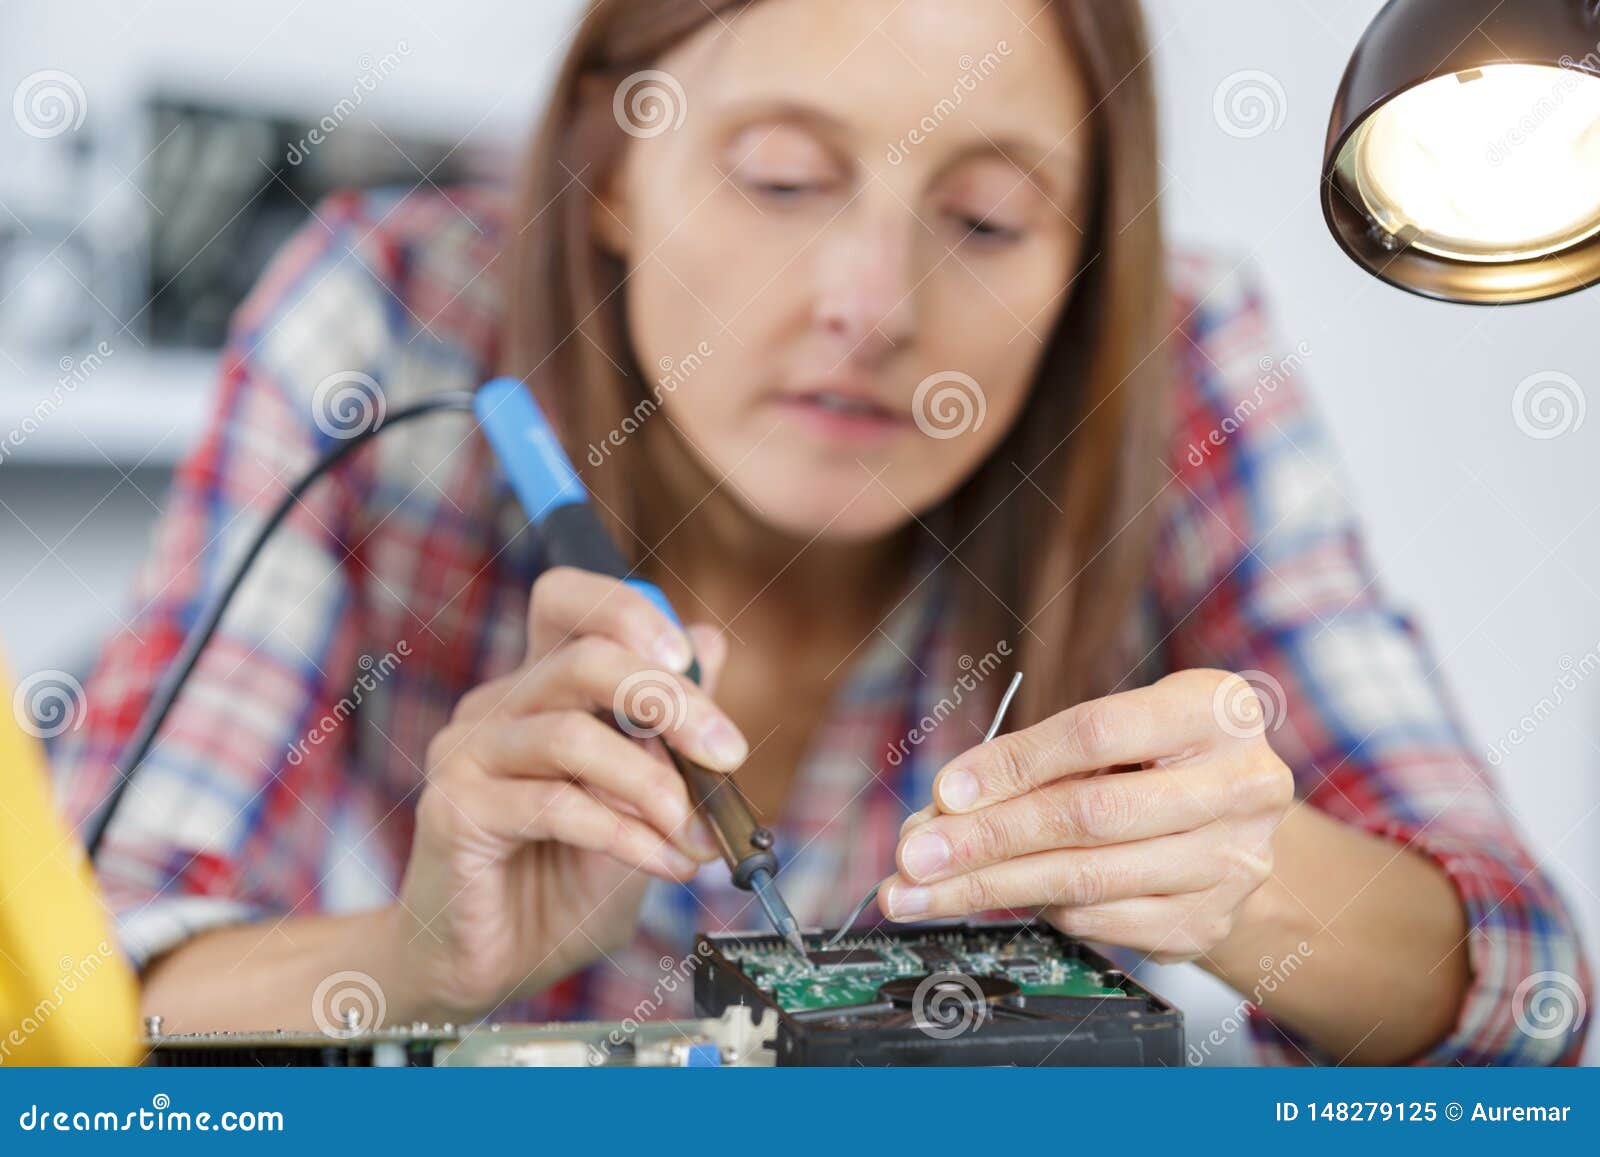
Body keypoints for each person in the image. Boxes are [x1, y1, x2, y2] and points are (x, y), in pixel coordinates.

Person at [54, 0, 1590, 1064]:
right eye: (783, 177)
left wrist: (1262, 883)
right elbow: (59, 992)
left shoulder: (1180, 367)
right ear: (612, 158)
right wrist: (408, 961)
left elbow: (1535, 1005)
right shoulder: (381, 322)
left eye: (988, 218)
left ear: (1086, 256)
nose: (873, 305)